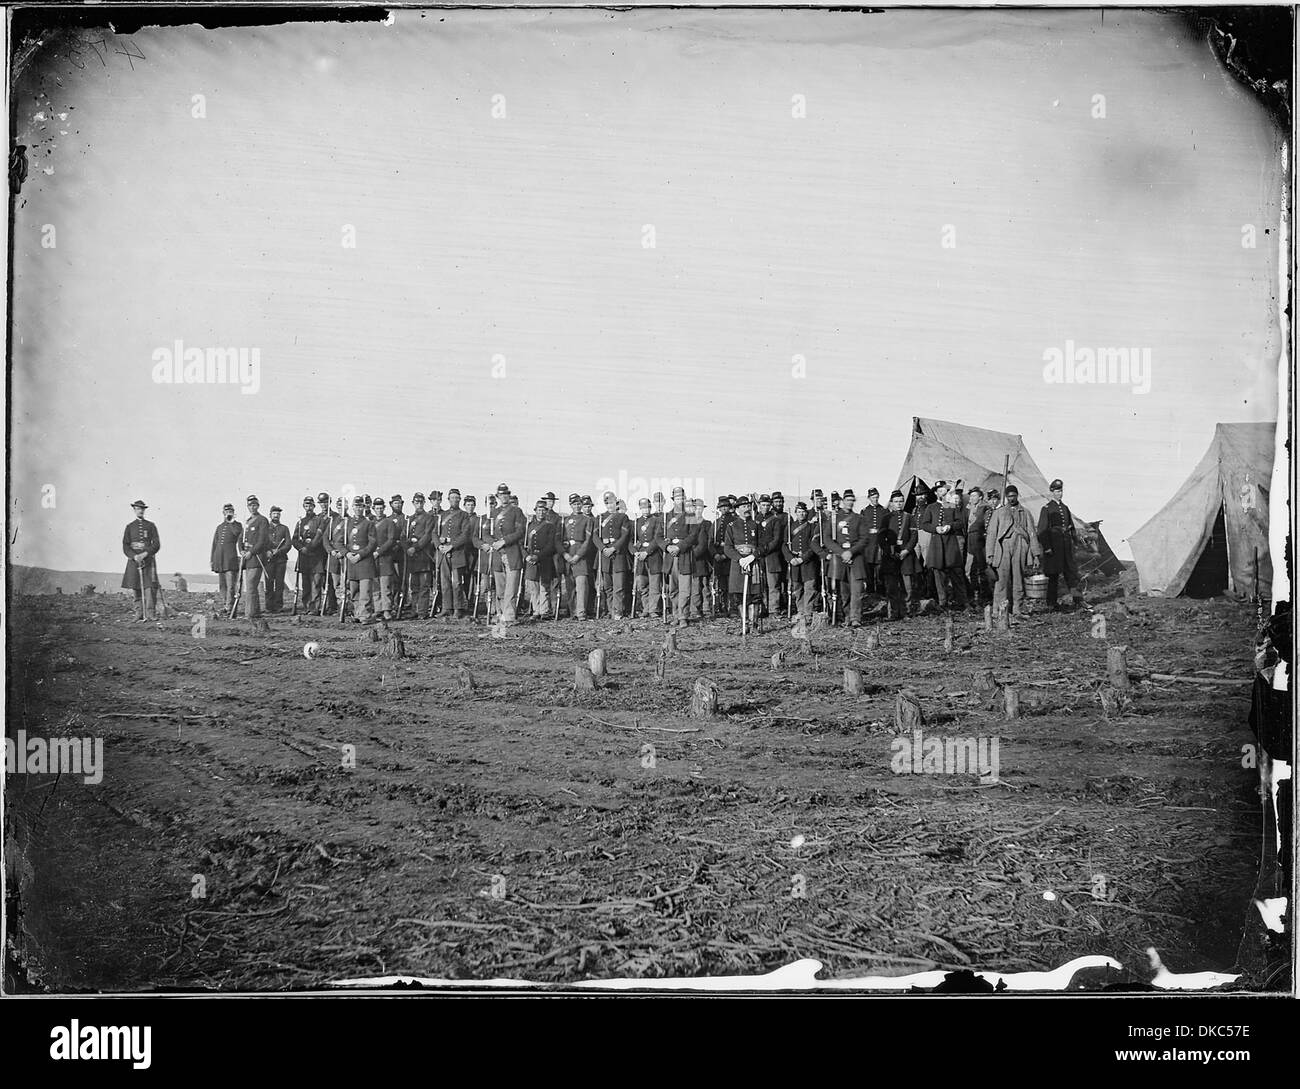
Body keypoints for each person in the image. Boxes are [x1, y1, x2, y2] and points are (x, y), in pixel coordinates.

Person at [987, 484, 1042, 615]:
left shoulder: (1025, 512)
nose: (1011, 498)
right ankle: (999, 610)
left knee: (1018, 579)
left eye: (1014, 496)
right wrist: (990, 555)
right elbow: (991, 534)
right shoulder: (999, 513)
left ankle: (1017, 608)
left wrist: (1036, 555)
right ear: (1006, 497)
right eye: (1009, 496)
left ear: (1017, 496)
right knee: (1002, 579)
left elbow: (1032, 533)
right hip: (1003, 547)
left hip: (1020, 545)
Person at [1038, 479, 1082, 609]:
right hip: (1054, 548)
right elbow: (1042, 530)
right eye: (1057, 491)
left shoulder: (1065, 508)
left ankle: (1078, 600)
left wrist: (1075, 541)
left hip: (1066, 547)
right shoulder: (1046, 509)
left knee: (1071, 574)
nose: (1060, 493)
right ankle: (1051, 603)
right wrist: (1047, 547)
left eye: (1061, 491)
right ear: (1052, 492)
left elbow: (1071, 527)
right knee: (1053, 576)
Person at [484, 485, 526, 622]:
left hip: (512, 553)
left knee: (511, 588)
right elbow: (486, 533)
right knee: (500, 588)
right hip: (497, 554)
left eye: (506, 494)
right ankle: (500, 613)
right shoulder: (493, 513)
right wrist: (493, 543)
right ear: (498, 497)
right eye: (501, 495)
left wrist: (504, 541)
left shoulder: (516, 512)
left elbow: (520, 532)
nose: (504, 497)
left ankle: (509, 615)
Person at [923, 488, 968, 611]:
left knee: (956, 572)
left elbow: (960, 523)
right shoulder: (931, 507)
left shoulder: (953, 506)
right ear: (936, 493)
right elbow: (925, 524)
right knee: (939, 573)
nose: (943, 493)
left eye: (945, 490)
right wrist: (935, 528)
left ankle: (962, 602)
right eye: (940, 491)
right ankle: (943, 603)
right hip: (937, 543)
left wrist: (950, 526)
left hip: (951, 544)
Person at [723, 495, 764, 629]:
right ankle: (744, 623)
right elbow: (727, 547)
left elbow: (762, 545)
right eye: (744, 506)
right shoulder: (732, 526)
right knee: (739, 594)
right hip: (738, 564)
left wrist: (753, 556)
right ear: (737, 510)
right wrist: (740, 559)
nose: (747, 509)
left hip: (753, 563)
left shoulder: (756, 525)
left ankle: (754, 624)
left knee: (755, 594)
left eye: (748, 506)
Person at [661, 486, 699, 626]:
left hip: (684, 556)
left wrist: (679, 547)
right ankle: (675, 615)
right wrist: (667, 547)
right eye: (677, 498)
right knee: (673, 589)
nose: (679, 500)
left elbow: (693, 536)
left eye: (682, 498)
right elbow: (659, 537)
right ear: (673, 500)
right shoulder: (666, 517)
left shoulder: (690, 516)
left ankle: (683, 616)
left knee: (685, 589)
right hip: (670, 558)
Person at [782, 501, 823, 623]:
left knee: (810, 588)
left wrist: (803, 558)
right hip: (794, 562)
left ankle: (808, 613)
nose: (801, 514)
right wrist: (790, 558)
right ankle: (800, 611)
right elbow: (784, 545)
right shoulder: (790, 527)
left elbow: (813, 546)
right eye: (799, 512)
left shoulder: (812, 527)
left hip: (808, 562)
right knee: (798, 588)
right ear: (795, 513)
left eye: (803, 512)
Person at [831, 489, 867, 626]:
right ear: (842, 501)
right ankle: (847, 616)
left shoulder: (859, 519)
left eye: (852, 500)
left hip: (855, 558)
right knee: (843, 590)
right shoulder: (834, 519)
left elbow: (864, 539)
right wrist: (841, 552)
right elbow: (828, 539)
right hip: (839, 559)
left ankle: (855, 618)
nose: (850, 503)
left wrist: (851, 552)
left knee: (856, 590)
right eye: (847, 500)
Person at [122, 499, 160, 621]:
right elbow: (125, 545)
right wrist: (134, 556)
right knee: (135, 585)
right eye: (138, 509)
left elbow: (156, 544)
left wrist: (145, 554)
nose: (140, 511)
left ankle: (150, 613)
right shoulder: (129, 527)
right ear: (134, 510)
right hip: (134, 560)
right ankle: (138, 613)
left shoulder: (151, 526)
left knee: (149, 587)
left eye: (142, 509)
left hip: (147, 560)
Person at [436, 489, 472, 618]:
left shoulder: (464, 515)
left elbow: (465, 534)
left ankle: (458, 608)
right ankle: (447, 607)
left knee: (457, 582)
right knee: (444, 581)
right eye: (452, 497)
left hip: (457, 552)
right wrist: (439, 545)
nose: (454, 500)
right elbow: (434, 533)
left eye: (457, 498)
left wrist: (452, 545)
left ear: (459, 500)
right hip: (443, 553)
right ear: (448, 499)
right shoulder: (442, 515)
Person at [595, 491, 631, 619]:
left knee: (619, 586)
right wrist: (603, 548)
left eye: (611, 502)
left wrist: (614, 548)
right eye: (607, 503)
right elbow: (595, 536)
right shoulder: (600, 517)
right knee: (608, 586)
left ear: (616, 502)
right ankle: (611, 610)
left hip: (619, 556)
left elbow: (625, 535)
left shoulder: (623, 518)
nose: (609, 505)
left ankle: (618, 611)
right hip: (605, 556)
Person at [559, 492, 595, 620]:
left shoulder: (587, 520)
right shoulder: (566, 520)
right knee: (570, 586)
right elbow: (561, 539)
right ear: (570, 505)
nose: (577, 506)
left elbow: (588, 540)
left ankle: (581, 613)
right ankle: (572, 611)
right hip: (568, 555)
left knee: (581, 586)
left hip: (581, 557)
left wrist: (578, 555)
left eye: (579, 503)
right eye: (574, 504)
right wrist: (565, 554)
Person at [342, 496, 378, 622]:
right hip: (351, 562)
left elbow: (372, 543)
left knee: (365, 592)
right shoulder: (347, 524)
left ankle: (365, 615)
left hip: (365, 562)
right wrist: (347, 554)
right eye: (356, 506)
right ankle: (357, 614)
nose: (358, 509)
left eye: (361, 506)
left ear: (364, 507)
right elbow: (339, 542)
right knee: (354, 591)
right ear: (352, 507)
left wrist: (360, 555)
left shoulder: (369, 523)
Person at [403, 493, 435, 619]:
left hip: (424, 556)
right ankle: (414, 610)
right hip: (412, 558)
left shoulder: (428, 518)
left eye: (421, 502)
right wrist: (407, 548)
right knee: (414, 586)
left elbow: (427, 536)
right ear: (413, 503)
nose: (419, 504)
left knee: (424, 586)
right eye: (417, 502)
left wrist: (414, 548)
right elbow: (403, 536)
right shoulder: (409, 519)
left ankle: (422, 612)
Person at [523, 499, 557, 620]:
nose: (541, 512)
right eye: (539, 510)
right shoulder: (529, 526)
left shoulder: (550, 526)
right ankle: (536, 610)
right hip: (531, 559)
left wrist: (538, 556)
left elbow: (550, 545)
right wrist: (527, 556)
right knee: (533, 587)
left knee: (544, 587)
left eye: (543, 510)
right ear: (535, 511)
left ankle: (544, 611)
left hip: (544, 559)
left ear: (546, 511)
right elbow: (523, 543)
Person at [878, 491, 909, 620]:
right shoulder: (886, 518)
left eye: (901, 501)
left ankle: (905, 612)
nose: (899, 504)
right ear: (891, 503)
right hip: (890, 556)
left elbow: (913, 536)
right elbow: (881, 537)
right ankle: (893, 613)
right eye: (896, 501)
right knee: (891, 586)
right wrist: (889, 551)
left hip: (905, 555)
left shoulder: (908, 517)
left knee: (905, 586)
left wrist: (906, 550)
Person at [631, 497, 664, 619]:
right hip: (640, 558)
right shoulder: (636, 522)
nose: (646, 510)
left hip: (653, 556)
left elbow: (657, 539)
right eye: (643, 507)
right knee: (642, 585)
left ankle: (653, 609)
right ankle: (645, 608)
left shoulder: (656, 521)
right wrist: (635, 552)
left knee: (655, 585)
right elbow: (631, 540)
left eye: (648, 507)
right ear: (640, 508)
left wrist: (647, 552)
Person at [239, 495, 271, 619]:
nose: (252, 507)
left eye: (254, 505)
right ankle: (255, 612)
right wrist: (241, 550)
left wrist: (251, 552)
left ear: (258, 506)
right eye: (250, 505)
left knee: (251, 585)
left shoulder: (262, 520)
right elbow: (240, 538)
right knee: (250, 585)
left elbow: (262, 540)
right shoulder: (247, 522)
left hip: (256, 557)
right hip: (247, 558)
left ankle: (250, 614)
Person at [292, 496, 325, 613]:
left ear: (314, 506)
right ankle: (306, 606)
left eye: (310, 505)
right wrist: (301, 548)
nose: (308, 508)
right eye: (306, 505)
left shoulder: (319, 520)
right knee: (305, 584)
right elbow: (294, 539)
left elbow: (319, 537)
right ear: (304, 507)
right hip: (304, 557)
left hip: (316, 556)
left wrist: (309, 548)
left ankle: (314, 608)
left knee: (316, 584)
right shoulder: (300, 522)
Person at [210, 502, 243, 615]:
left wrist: (232, 522)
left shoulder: (237, 525)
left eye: (231, 512)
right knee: (222, 585)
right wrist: (212, 560)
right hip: (219, 559)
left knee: (230, 585)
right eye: (227, 512)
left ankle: (230, 607)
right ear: (223, 513)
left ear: (233, 513)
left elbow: (237, 534)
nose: (228, 513)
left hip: (230, 558)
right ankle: (225, 604)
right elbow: (215, 544)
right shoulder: (219, 527)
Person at [760, 493, 787, 619]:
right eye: (763, 505)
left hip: (772, 556)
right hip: (759, 557)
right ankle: (763, 608)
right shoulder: (756, 519)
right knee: (761, 583)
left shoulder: (775, 520)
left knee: (773, 584)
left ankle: (773, 609)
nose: (765, 507)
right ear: (759, 506)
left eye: (767, 505)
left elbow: (777, 540)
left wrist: (765, 549)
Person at [858, 487, 888, 597]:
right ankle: (870, 591)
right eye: (873, 497)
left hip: (880, 543)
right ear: (869, 498)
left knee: (880, 568)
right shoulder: (865, 511)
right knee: (869, 567)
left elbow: (887, 526)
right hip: (869, 545)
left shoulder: (884, 510)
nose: (875, 499)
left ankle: (881, 591)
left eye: (876, 497)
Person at [964, 486, 990, 609]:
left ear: (980, 497)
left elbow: (986, 525)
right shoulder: (968, 508)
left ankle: (983, 596)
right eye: (971, 496)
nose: (972, 498)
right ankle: (974, 594)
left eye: (974, 496)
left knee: (981, 568)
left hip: (979, 541)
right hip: (969, 540)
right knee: (969, 569)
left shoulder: (985, 508)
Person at [689, 498, 714, 620]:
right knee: (695, 586)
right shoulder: (688, 523)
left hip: (702, 559)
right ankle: (695, 608)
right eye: (695, 508)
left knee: (704, 584)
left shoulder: (707, 524)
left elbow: (706, 542)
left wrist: (695, 553)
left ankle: (706, 607)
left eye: (700, 508)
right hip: (690, 559)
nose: (697, 511)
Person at [265, 505, 292, 612]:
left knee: (279, 584)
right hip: (268, 560)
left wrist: (279, 551)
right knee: (269, 583)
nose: (276, 515)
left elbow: (288, 544)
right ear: (270, 515)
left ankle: (278, 606)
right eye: (274, 513)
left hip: (281, 560)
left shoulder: (284, 528)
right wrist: (268, 551)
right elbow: (262, 541)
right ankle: (269, 606)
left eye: (278, 514)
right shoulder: (265, 528)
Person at [711, 496, 734, 616]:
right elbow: (710, 542)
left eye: (726, 506)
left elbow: (735, 542)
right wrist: (715, 554)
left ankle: (732, 608)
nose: (724, 509)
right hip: (718, 557)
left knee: (732, 583)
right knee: (721, 584)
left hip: (730, 558)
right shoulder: (716, 523)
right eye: (721, 507)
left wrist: (726, 555)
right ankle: (722, 607)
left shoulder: (734, 521)